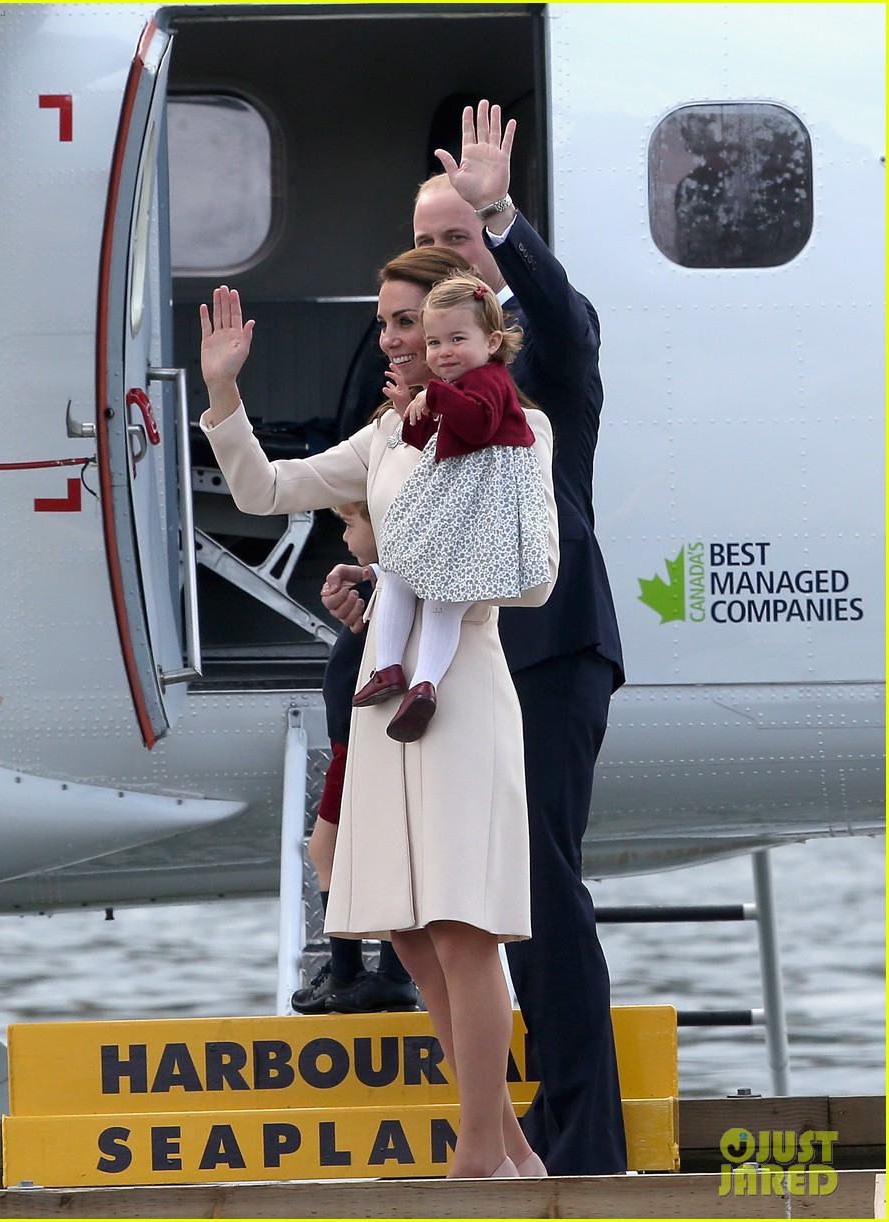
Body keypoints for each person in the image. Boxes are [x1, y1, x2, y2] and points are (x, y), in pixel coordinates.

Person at [198, 253, 560, 1179]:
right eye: (394, 328)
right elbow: (261, 492)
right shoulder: (384, 440)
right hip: (385, 694)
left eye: (416, 326)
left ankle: (479, 1149)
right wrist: (224, 395)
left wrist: (425, 579)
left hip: (461, 686)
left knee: (461, 923)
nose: (400, 344)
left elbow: (535, 579)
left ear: (466, 336)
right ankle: (510, 1142)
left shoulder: (520, 426)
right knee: (403, 922)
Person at [324, 100, 628, 1176]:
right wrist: (362, 568)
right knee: (454, 914)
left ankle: (581, 1149)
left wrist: (501, 212)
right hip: (441, 670)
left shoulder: (537, 353)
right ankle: (505, 1148)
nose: (438, 258)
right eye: (430, 239)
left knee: (537, 892)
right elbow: (385, 506)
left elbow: (560, 310)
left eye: (459, 238)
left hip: (541, 654)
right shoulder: (402, 365)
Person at [353, 273, 549, 743]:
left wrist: (435, 395)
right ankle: (391, 670)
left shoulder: (491, 381)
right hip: (452, 500)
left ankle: (425, 683)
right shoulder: (454, 387)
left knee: (444, 598)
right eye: (436, 341)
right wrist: (409, 411)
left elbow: (479, 425)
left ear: (493, 341)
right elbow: (434, 441)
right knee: (398, 570)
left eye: (458, 339)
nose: (443, 352)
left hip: (478, 509)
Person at [290, 502, 420, 1016]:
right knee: (337, 850)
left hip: (362, 743)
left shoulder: (395, 591)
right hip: (353, 741)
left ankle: (364, 971)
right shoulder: (383, 588)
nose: (344, 538)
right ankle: (368, 970)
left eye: (350, 524)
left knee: (328, 850)